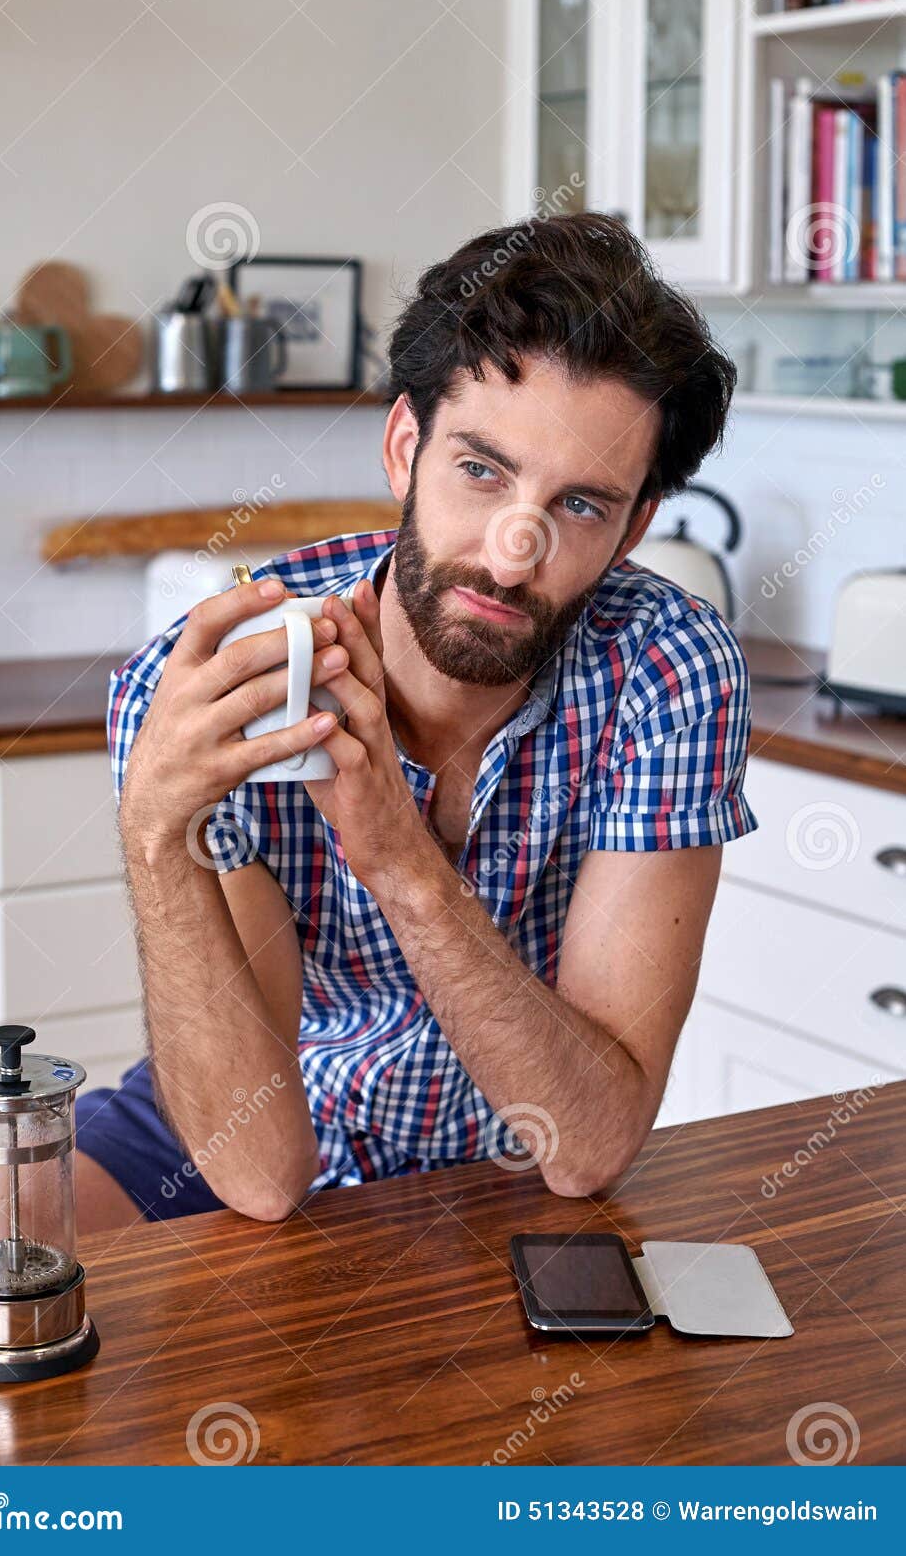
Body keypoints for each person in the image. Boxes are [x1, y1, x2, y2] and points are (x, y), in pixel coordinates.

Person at [73, 212, 756, 1233]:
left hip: (500, 1151)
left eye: (578, 507)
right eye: (478, 470)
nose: (509, 553)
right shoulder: (225, 684)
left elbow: (589, 1144)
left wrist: (394, 852)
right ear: (404, 447)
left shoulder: (666, 672)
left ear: (631, 531)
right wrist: (153, 831)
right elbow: (260, 1175)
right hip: (235, 1105)